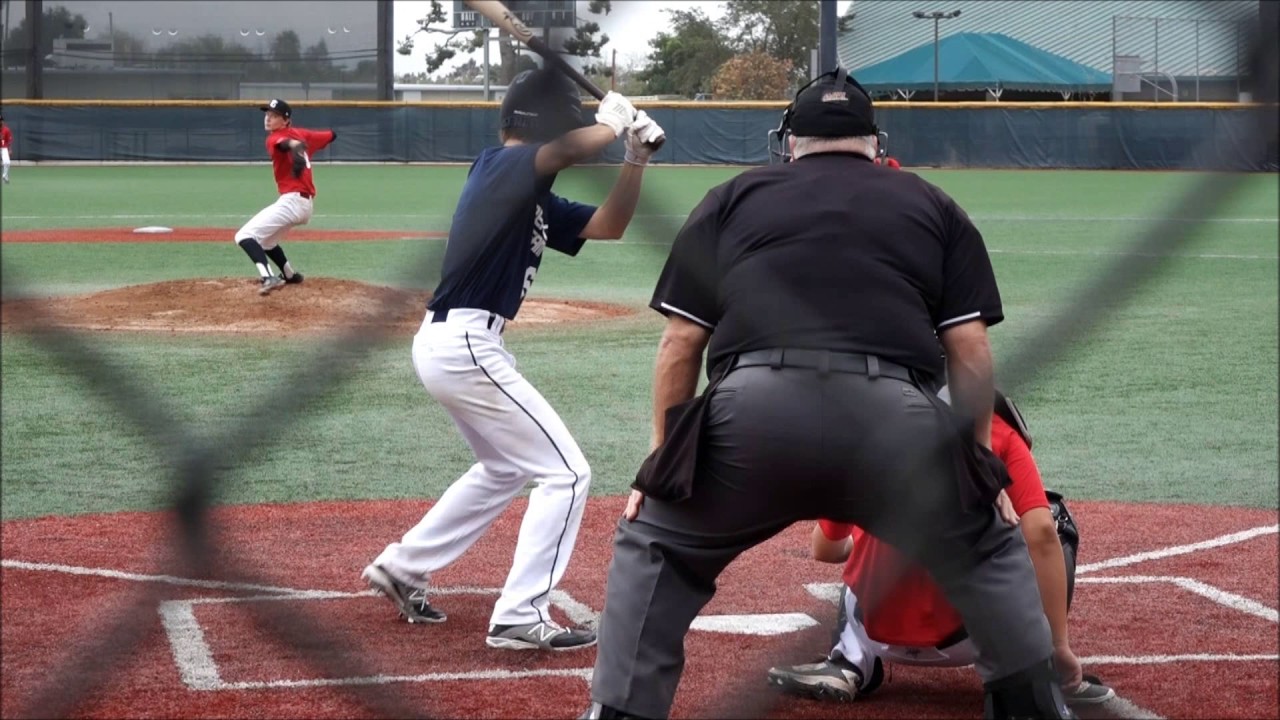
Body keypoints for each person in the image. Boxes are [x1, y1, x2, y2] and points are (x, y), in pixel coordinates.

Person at [583, 68, 1073, 720]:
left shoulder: (732, 196)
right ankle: (1031, 705)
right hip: (895, 423)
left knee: (657, 545)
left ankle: (620, 711)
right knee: (986, 549)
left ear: (789, 141)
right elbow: (970, 351)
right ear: (875, 142)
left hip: (752, 417)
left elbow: (680, 344)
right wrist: (979, 464)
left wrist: (662, 461)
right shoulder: (931, 203)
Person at [362, 68, 665, 653]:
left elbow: (609, 226)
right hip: (465, 343)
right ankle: (521, 615)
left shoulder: (531, 195)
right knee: (568, 473)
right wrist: (611, 123)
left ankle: (403, 565)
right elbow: (566, 151)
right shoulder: (499, 167)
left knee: (504, 468)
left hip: (458, 344)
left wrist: (634, 159)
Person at [766, 388, 1115, 708]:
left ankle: (849, 659)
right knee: (1053, 521)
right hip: (975, 635)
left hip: (876, 630)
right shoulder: (995, 428)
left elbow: (824, 549)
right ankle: (1037, 667)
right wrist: (1059, 646)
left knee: (868, 538)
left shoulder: (866, 432)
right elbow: (1041, 535)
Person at [234, 98, 336, 295]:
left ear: (286, 120)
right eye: (267, 114)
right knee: (266, 242)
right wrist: (305, 142)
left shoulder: (274, 138)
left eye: (274, 116)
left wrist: (295, 145)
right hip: (305, 205)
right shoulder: (303, 134)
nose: (268, 119)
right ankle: (289, 275)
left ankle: (269, 277)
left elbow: (284, 144)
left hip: (292, 202)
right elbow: (332, 135)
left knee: (244, 236)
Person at [1, 113, 12, 184]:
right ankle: (6, 178)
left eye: (1, 120)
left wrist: (10, 149)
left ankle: (4, 176)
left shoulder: (6, 130)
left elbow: (9, 140)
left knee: (7, 162)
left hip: (3, 148)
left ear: (3, 121)